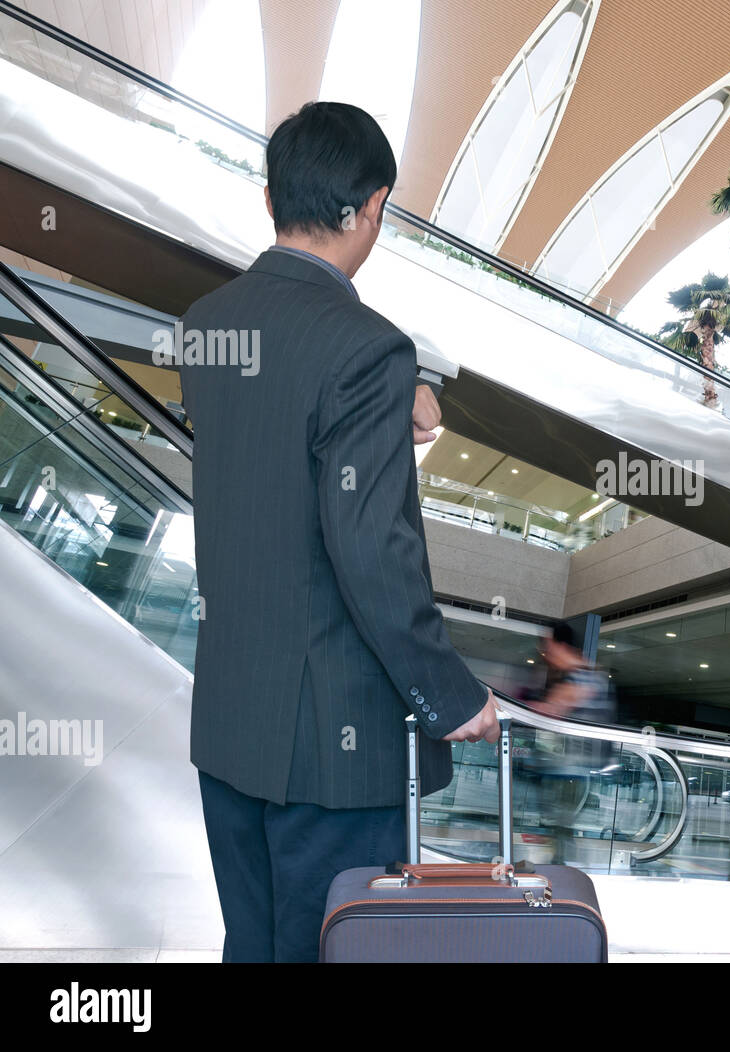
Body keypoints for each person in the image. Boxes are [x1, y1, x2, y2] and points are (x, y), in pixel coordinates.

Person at [178, 101, 499, 963]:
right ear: (369, 207)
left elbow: (277, 436)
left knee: (252, 948)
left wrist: (395, 403)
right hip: (333, 749)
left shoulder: (208, 328)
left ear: (275, 198)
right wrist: (449, 694)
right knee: (331, 950)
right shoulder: (370, 349)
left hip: (230, 728)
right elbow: (368, 547)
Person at [523, 624, 616, 863]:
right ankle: (556, 878)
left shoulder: (584, 677)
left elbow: (549, 710)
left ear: (561, 645)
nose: (545, 653)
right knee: (558, 834)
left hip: (569, 777)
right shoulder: (585, 675)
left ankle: (558, 883)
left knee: (559, 835)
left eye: (548, 647)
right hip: (565, 774)